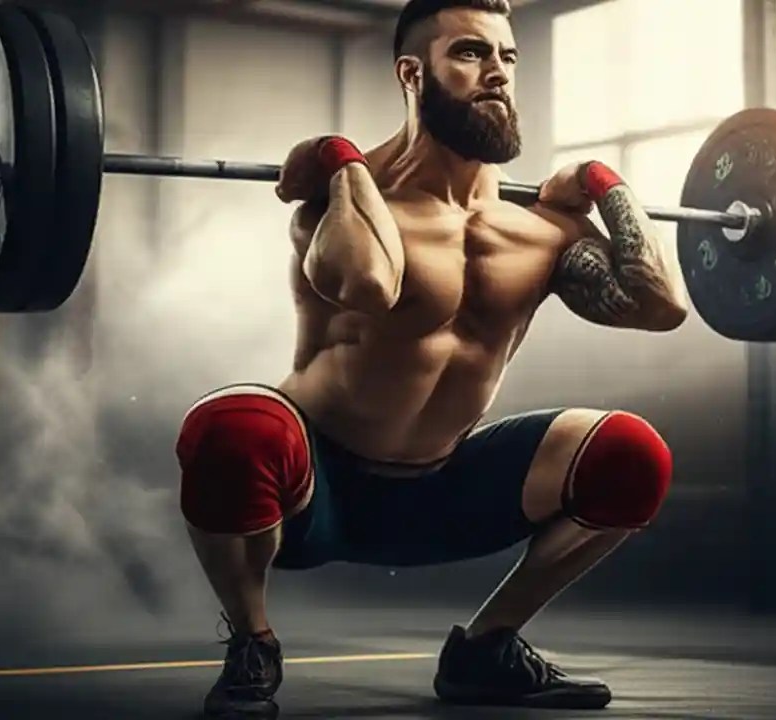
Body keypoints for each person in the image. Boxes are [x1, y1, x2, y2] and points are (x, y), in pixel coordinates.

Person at [176, 0, 688, 716]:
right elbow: (367, 283)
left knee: (633, 456)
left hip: (445, 488)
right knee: (233, 426)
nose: (499, 74)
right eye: (473, 54)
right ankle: (253, 641)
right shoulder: (343, 205)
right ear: (412, 74)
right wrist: (344, 162)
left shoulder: (539, 230)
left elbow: (660, 306)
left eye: (508, 58)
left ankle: (486, 649)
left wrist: (607, 184)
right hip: (315, 495)